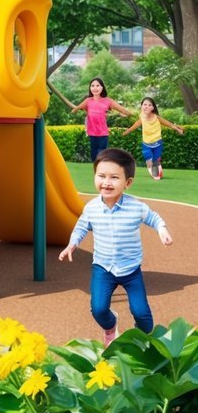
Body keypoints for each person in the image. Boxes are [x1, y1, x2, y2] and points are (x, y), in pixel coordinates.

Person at [59, 148, 172, 346]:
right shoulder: (91, 207)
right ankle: (111, 327)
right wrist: (72, 244)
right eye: (101, 176)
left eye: (114, 177)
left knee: (142, 315)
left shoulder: (136, 207)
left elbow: (153, 217)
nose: (106, 182)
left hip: (130, 270)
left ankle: (138, 338)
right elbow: (81, 226)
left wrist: (162, 229)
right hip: (103, 267)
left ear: (127, 183)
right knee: (99, 309)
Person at [67, 77, 133, 162]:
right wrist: (74, 110)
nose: (95, 88)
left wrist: (130, 114)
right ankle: (97, 170)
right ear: (90, 88)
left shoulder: (108, 101)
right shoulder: (88, 101)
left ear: (102, 87)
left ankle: (101, 167)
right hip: (92, 132)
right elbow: (77, 108)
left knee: (101, 153)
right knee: (93, 153)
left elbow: (121, 109)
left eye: (98, 85)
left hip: (103, 133)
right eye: (92, 86)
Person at [122, 97, 184, 181]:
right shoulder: (142, 116)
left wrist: (177, 129)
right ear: (141, 106)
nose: (146, 106)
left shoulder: (157, 117)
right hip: (146, 142)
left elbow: (168, 124)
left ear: (153, 107)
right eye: (144, 105)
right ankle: (154, 171)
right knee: (148, 158)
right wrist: (128, 130)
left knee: (155, 160)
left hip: (157, 142)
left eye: (149, 105)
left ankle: (156, 173)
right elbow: (137, 123)